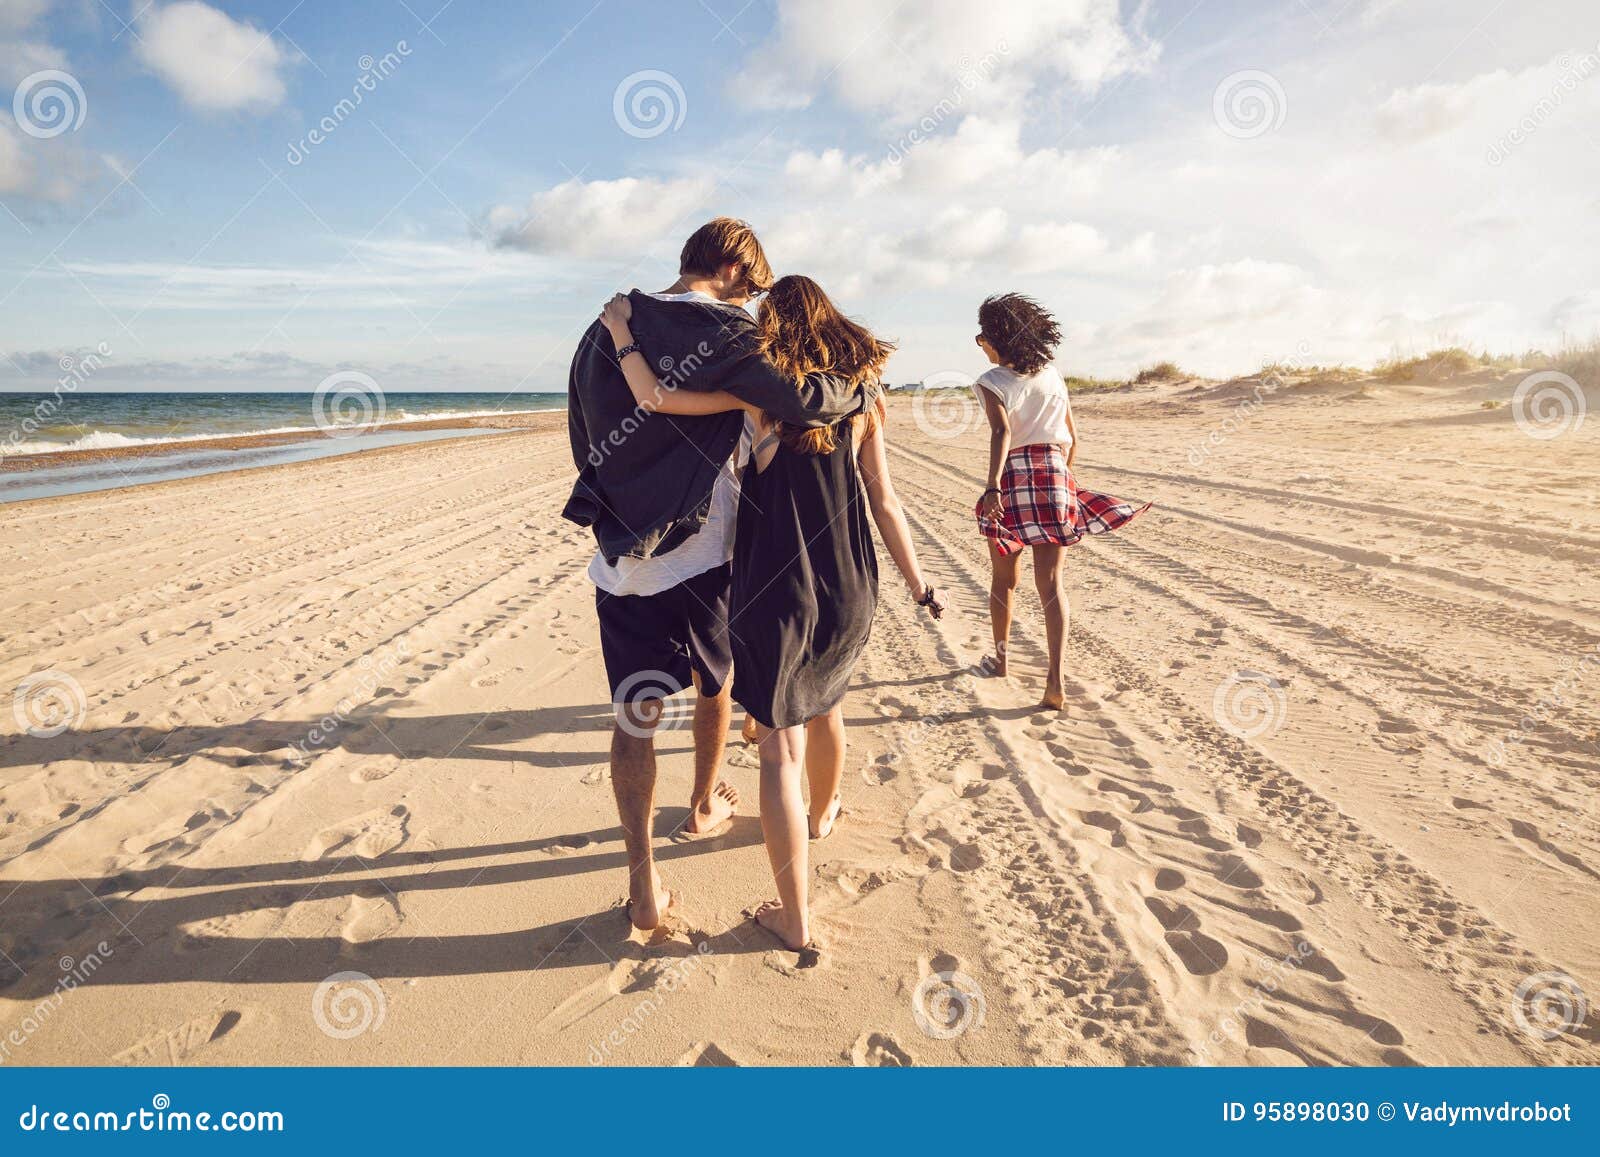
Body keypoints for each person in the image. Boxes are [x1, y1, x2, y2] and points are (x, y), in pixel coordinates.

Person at [599, 275, 943, 955]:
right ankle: (822, 815)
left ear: (774, 329)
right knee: (830, 706)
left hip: (777, 592)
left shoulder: (759, 401)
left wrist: (621, 335)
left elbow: (654, 400)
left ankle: (796, 918)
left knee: (779, 749)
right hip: (851, 586)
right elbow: (886, 502)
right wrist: (919, 580)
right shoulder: (865, 400)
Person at [564, 218, 867, 932]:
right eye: (750, 287)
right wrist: (859, 392)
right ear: (732, 265)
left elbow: (584, 427)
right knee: (716, 680)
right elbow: (803, 398)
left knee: (633, 718)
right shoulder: (729, 336)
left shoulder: (605, 326)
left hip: (622, 559)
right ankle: (703, 805)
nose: (749, 303)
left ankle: (643, 886)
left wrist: (621, 507)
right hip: (702, 554)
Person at [970, 293, 1149, 710]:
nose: (981, 345)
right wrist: (1060, 478)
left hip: (1013, 476)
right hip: (1054, 474)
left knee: (1004, 578)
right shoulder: (1052, 375)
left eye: (982, 338)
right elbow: (1073, 438)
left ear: (997, 338)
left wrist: (994, 486)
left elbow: (1002, 435)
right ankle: (1054, 682)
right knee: (1050, 584)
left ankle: (1000, 661)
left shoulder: (991, 381)